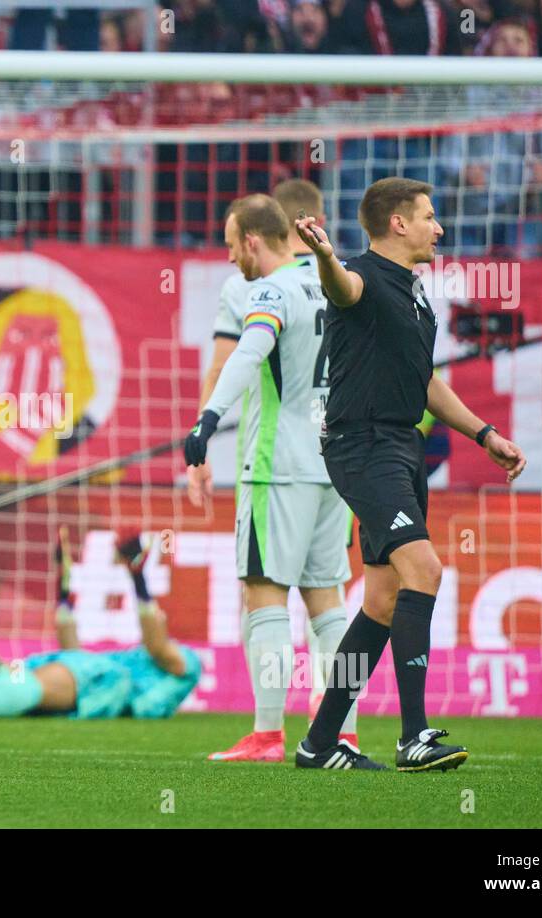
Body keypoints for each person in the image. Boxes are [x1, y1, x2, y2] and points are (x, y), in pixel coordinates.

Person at [292, 177, 526, 771]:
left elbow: (424, 382)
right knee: (424, 568)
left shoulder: (415, 295)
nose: (438, 227)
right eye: (428, 216)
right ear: (398, 223)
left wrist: (484, 433)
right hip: (362, 445)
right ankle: (413, 735)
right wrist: (323, 255)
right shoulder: (361, 277)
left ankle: (318, 744)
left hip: (400, 446)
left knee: (382, 599)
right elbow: (341, 287)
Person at [184, 193, 358, 763]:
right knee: (328, 604)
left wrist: (208, 419)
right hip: (334, 466)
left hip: (276, 469)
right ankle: (341, 732)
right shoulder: (333, 284)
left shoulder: (270, 290)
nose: (234, 258)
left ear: (254, 240)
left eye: (234, 246)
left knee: (264, 599)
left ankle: (266, 736)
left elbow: (246, 353)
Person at [0, 529, 202, 720]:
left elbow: (157, 646)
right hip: (95, 677)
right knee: (17, 676)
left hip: (92, 676)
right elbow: (74, 651)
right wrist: (64, 596)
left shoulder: (187, 665)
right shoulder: (130, 666)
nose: (155, 621)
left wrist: (138, 578)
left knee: (19, 679)